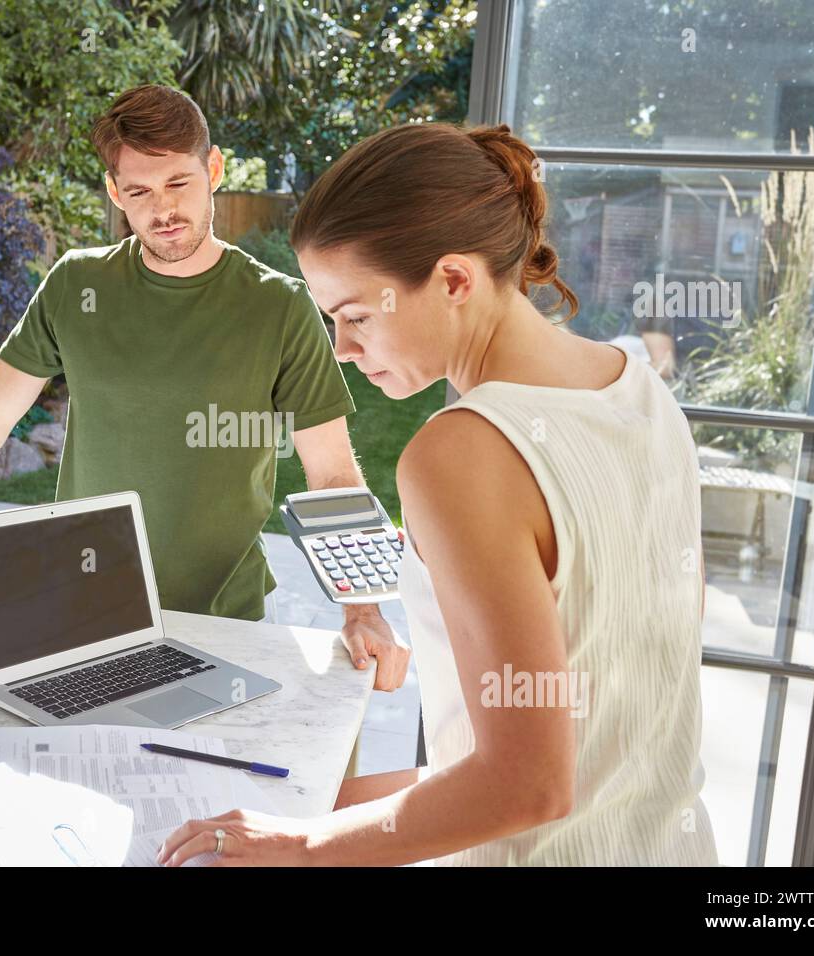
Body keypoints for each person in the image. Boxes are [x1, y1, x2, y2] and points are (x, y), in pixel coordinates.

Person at [157, 122, 719, 866]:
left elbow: (527, 788)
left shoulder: (460, 453)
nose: (344, 351)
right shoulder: (638, 388)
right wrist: (323, 805)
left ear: (455, 280)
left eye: (357, 316)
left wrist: (303, 846)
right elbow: (594, 713)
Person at [0, 84, 409, 691]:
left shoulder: (278, 305)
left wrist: (364, 612)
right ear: (114, 192)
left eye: (179, 183)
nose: (163, 210)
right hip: (82, 611)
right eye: (140, 192)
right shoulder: (77, 285)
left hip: (226, 622)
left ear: (214, 170)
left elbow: (332, 471)